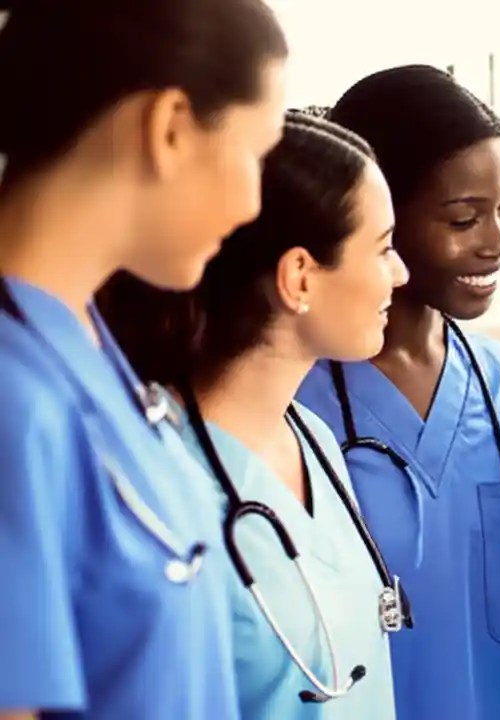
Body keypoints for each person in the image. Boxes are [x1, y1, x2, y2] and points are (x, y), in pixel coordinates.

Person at [0, 2, 287, 719]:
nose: (255, 203)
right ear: (169, 128)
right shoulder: (13, 397)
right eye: (256, 154)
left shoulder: (91, 355)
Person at [97, 111, 408, 719]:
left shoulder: (313, 440)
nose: (401, 272)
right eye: (384, 247)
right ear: (298, 278)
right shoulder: (158, 484)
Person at [293, 65, 500, 720]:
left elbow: (493, 608)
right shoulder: (298, 395)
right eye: (464, 217)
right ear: (380, 215)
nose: (496, 240)